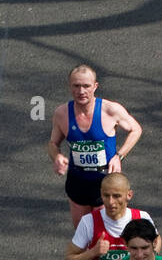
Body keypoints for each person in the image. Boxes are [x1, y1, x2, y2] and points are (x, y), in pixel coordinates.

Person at [47, 65, 143, 228]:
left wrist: (118, 156)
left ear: (95, 86)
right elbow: (53, 143)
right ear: (70, 86)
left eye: (86, 86)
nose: (81, 91)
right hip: (77, 182)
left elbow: (136, 129)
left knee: (104, 235)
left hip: (105, 184)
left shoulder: (110, 110)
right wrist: (56, 156)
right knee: (82, 234)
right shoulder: (62, 113)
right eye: (76, 86)